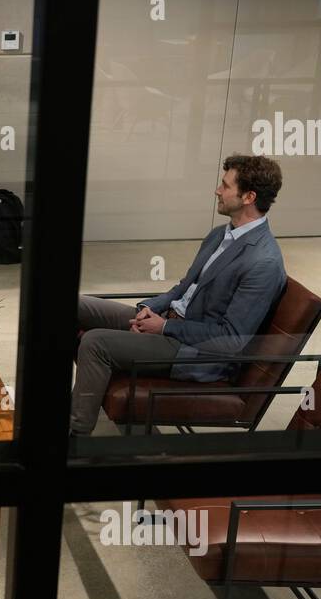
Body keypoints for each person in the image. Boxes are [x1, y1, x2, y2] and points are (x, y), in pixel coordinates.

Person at [70, 155, 287, 435]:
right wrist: (148, 308)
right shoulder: (222, 233)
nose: (217, 191)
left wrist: (164, 327)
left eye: (225, 185)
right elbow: (183, 289)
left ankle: (75, 439)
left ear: (248, 196)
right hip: (168, 321)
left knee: (95, 342)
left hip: (195, 352)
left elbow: (232, 340)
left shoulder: (263, 262)